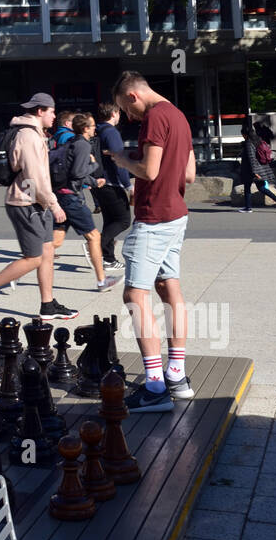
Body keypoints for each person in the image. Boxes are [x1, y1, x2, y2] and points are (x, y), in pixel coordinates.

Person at [103, 71, 196, 413]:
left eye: (127, 111)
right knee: (170, 287)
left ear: (132, 97)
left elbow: (150, 171)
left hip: (154, 216)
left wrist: (125, 161)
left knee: (134, 293)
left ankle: (155, 386)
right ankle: (177, 376)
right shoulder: (179, 115)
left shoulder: (155, 116)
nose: (129, 118)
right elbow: (189, 175)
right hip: (176, 212)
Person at [0, 93, 78, 322]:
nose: (54, 116)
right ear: (40, 111)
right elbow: (34, 177)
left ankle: (48, 305)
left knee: (47, 254)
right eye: (52, 111)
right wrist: (53, 204)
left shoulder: (35, 134)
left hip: (34, 202)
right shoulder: (28, 136)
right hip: (25, 202)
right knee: (34, 257)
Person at [52, 114, 119, 293]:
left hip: (61, 194)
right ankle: (102, 281)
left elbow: (74, 172)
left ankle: (21, 267)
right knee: (94, 237)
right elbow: (77, 173)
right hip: (71, 198)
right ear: (85, 128)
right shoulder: (82, 145)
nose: (95, 128)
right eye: (92, 126)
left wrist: (92, 180)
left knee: (56, 241)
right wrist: (94, 167)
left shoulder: (71, 142)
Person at [94, 102, 132, 269]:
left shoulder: (96, 131)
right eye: (119, 113)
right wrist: (128, 184)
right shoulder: (111, 132)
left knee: (109, 220)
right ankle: (95, 246)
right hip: (112, 183)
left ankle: (108, 259)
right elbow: (119, 160)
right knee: (123, 220)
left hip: (98, 182)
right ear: (114, 113)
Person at [238, 117, 276, 212]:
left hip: (251, 170)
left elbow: (251, 158)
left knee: (248, 188)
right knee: (261, 188)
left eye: (243, 134)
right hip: (260, 168)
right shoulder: (257, 140)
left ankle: (248, 208)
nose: (242, 136)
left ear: (245, 134)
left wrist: (254, 172)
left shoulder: (248, 143)